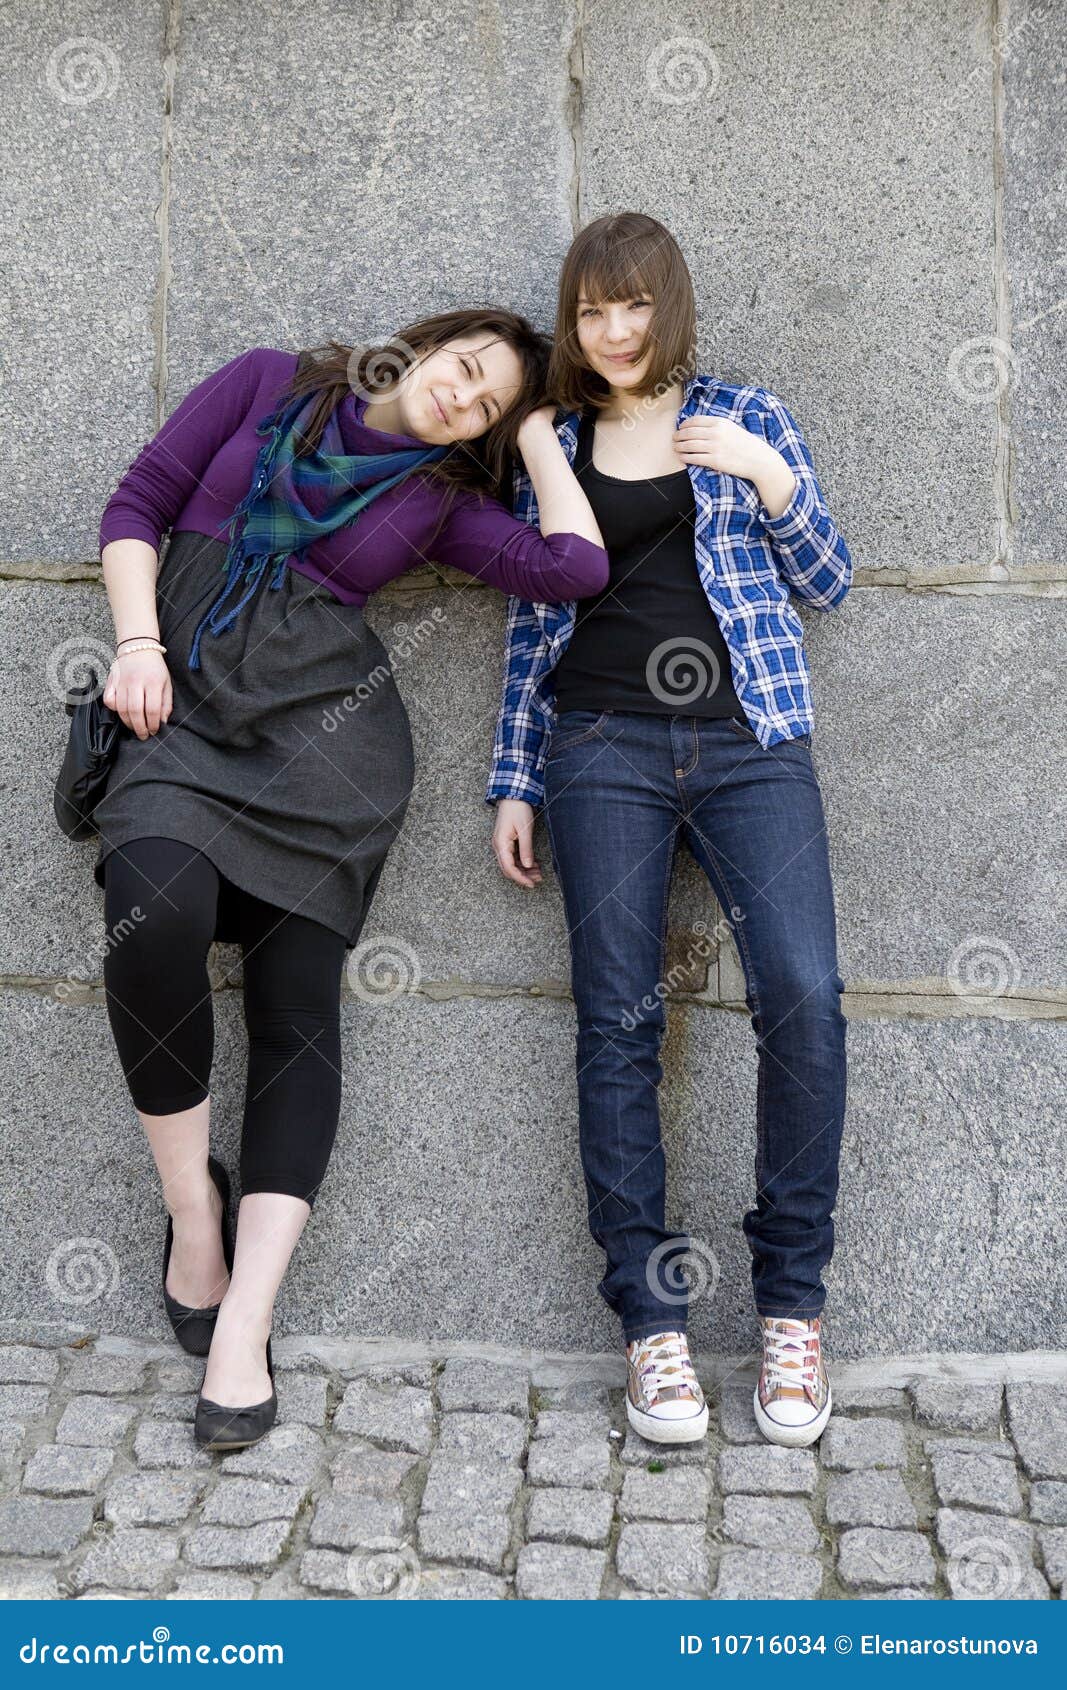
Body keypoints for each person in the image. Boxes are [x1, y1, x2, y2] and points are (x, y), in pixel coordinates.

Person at [93, 309, 608, 1449]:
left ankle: (245, 1328)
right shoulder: (266, 379)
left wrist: (532, 440)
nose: (460, 399)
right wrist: (136, 644)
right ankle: (193, 1217)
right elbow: (136, 507)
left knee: (297, 1017)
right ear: (429, 341)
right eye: (465, 370)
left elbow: (572, 567)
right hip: (178, 710)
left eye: (486, 405)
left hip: (328, 758)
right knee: (150, 921)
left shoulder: (438, 501)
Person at [489, 215, 852, 1449]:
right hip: (602, 748)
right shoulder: (559, 438)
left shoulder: (746, 416)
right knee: (617, 1017)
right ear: (573, 323)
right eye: (590, 313)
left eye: (632, 306)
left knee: (801, 992)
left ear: (667, 304)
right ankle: (651, 1325)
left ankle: (791, 1309)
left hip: (753, 742)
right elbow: (534, 620)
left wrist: (768, 477)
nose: (615, 332)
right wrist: (515, 777)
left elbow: (830, 577)